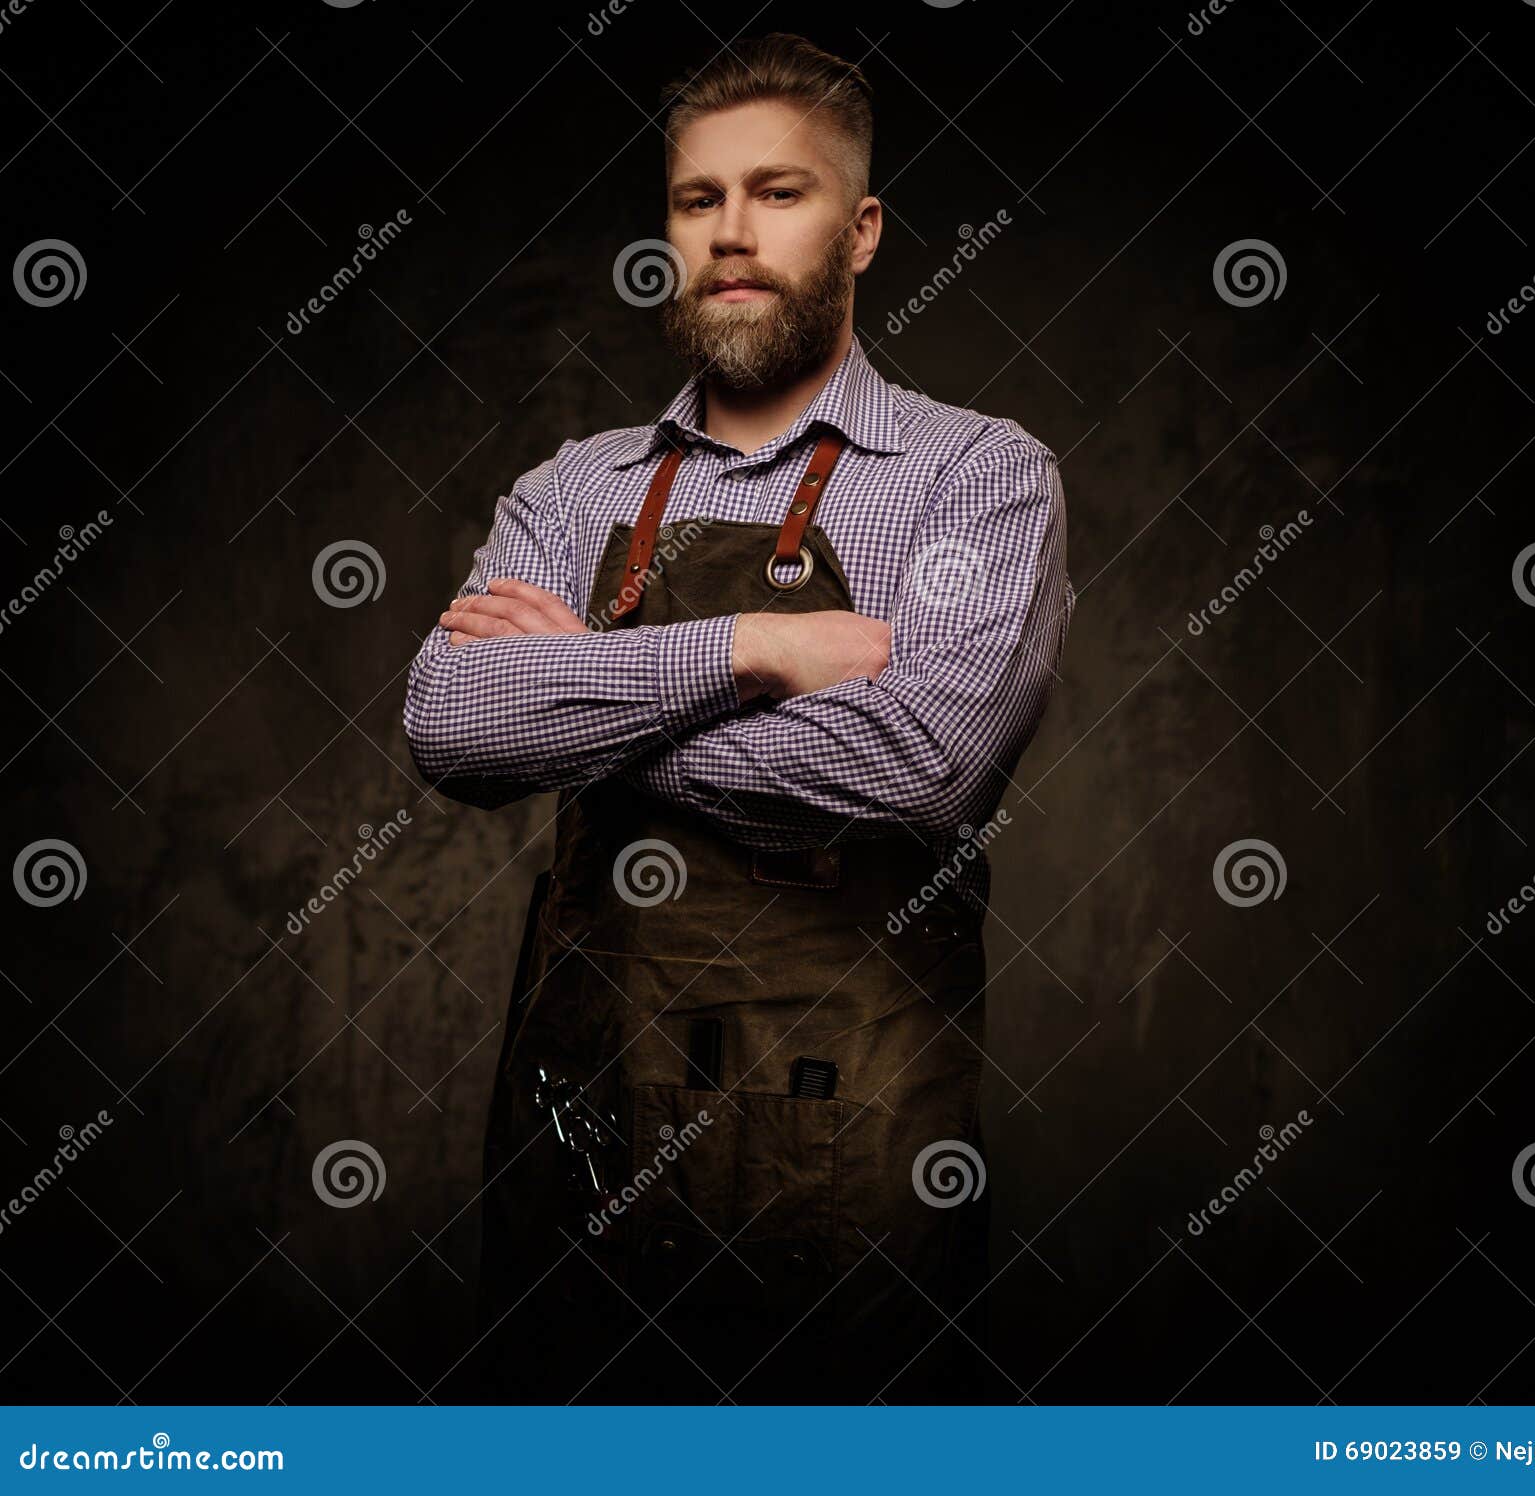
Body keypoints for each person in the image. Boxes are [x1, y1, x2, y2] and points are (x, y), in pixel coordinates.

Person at [403, 31, 1075, 1405]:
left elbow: (925, 762)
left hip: (856, 1131)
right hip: (582, 1115)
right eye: (697, 199)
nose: (730, 233)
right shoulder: (574, 488)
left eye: (779, 192)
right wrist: (761, 645)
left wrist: (586, 684)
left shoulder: (977, 477)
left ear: (863, 227)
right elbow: (456, 725)